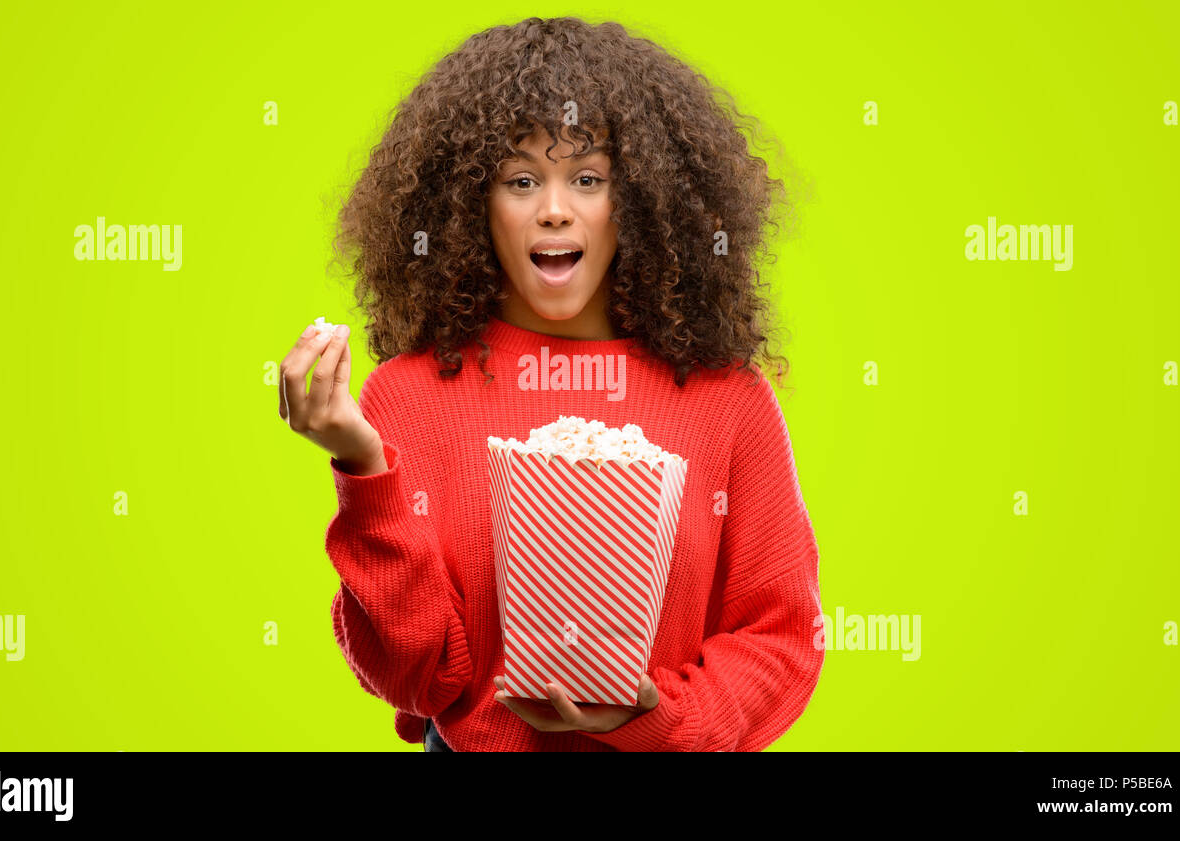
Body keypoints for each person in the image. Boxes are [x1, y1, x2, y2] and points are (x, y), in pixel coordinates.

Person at [278, 16, 823, 751]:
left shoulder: (727, 398)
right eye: (522, 179)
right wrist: (360, 464)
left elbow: (780, 636)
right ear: (474, 204)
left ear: (641, 201)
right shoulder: (409, 396)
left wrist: (658, 716)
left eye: (588, 179)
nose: (556, 207)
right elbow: (416, 676)